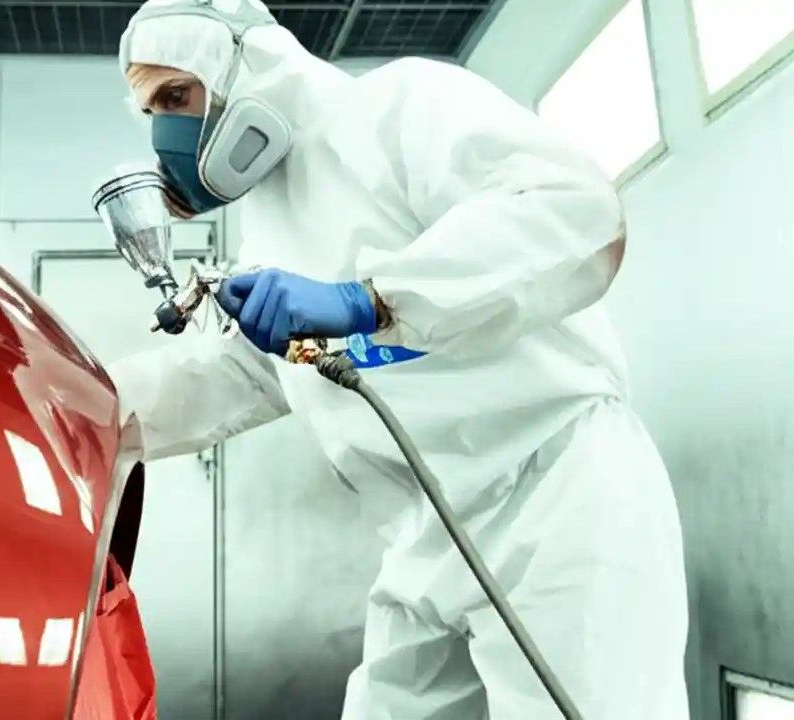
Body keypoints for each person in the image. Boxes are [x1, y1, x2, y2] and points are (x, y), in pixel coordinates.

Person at [106, 0, 689, 718]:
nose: (167, 132)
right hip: (425, 536)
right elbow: (247, 371)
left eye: (176, 97)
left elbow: (574, 210)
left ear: (246, 71)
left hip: (553, 500)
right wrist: (88, 406)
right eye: (151, 111)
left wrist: (370, 297)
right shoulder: (268, 224)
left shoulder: (403, 104)